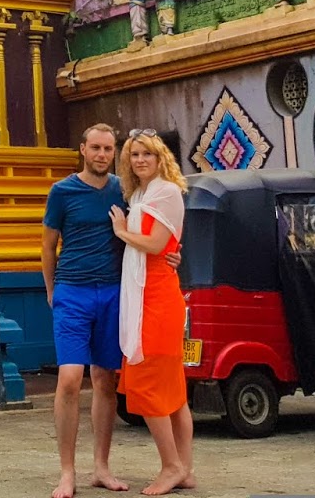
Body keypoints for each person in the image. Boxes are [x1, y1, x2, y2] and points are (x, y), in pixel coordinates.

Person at [43, 125, 131, 498]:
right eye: (95, 147)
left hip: (112, 290)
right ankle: (67, 471)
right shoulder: (62, 191)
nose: (101, 154)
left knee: (106, 379)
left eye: (108, 148)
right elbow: (48, 246)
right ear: (82, 149)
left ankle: (102, 467)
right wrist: (52, 292)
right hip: (72, 292)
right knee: (68, 379)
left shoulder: (122, 189)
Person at [110, 131, 193, 495]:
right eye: (134, 155)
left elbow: (158, 244)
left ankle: (172, 465)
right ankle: (184, 468)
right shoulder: (142, 194)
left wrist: (122, 230)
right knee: (170, 389)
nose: (140, 160)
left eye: (147, 154)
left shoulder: (166, 191)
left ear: (161, 158)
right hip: (147, 293)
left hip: (157, 296)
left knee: (149, 384)